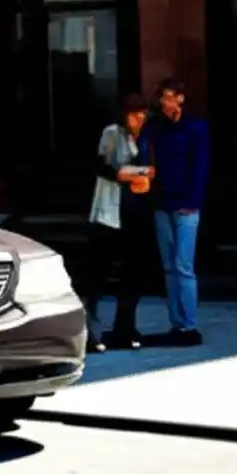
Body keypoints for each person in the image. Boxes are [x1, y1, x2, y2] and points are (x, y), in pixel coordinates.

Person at [138, 77, 210, 346]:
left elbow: (201, 165)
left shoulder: (195, 127)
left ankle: (189, 324)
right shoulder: (156, 126)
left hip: (186, 204)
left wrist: (193, 199)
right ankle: (176, 323)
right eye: (162, 97)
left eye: (169, 97)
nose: (164, 102)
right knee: (169, 266)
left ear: (180, 98)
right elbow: (143, 150)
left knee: (184, 265)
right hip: (162, 201)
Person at [83, 94, 156, 352]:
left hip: (135, 213)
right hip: (109, 214)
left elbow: (152, 169)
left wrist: (142, 174)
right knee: (99, 276)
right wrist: (138, 173)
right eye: (135, 115)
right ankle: (91, 332)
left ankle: (125, 328)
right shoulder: (112, 134)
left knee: (132, 275)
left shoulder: (146, 137)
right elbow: (108, 168)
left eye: (143, 115)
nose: (140, 120)